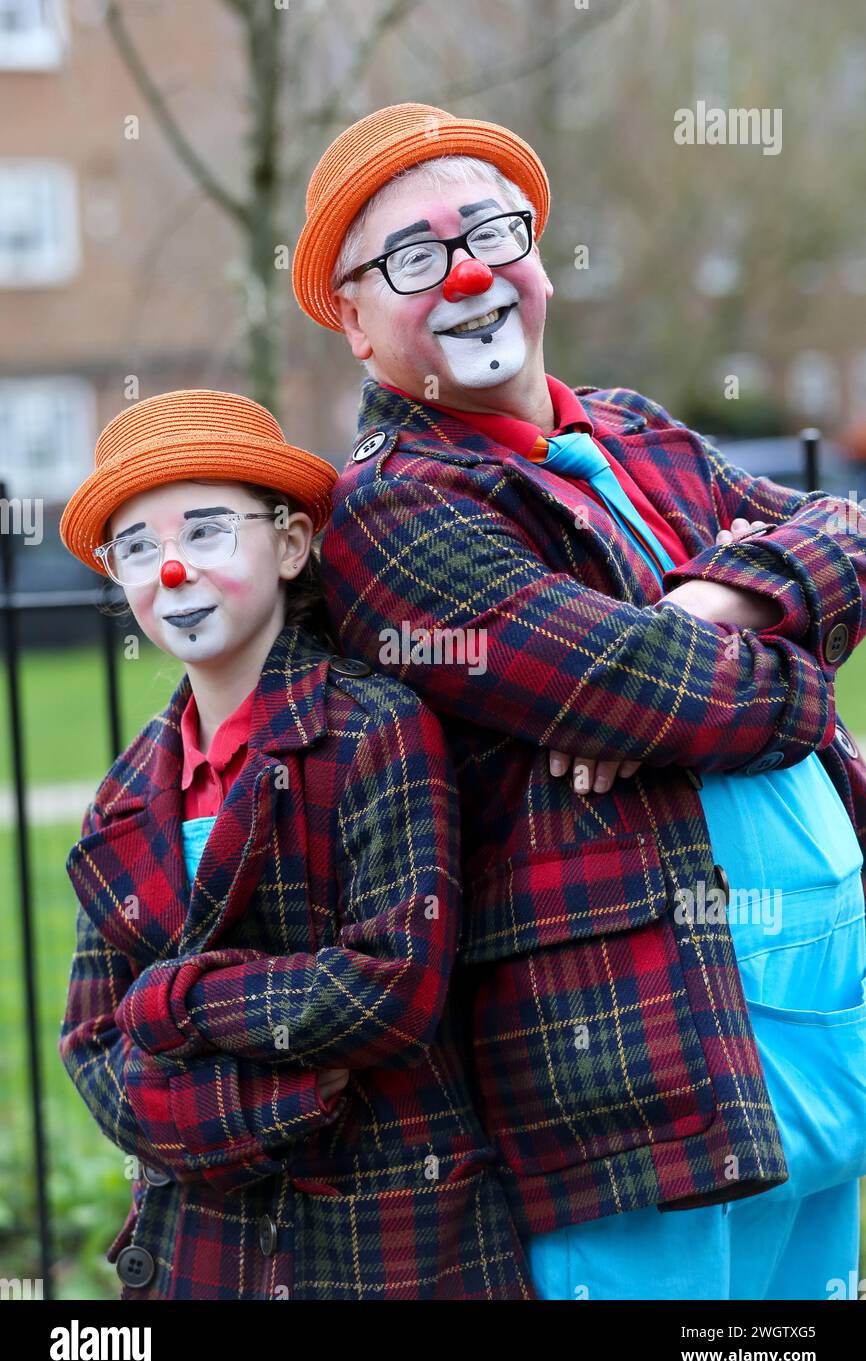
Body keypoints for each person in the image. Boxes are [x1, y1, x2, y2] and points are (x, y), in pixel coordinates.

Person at [292, 102, 866, 1300]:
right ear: (350, 318)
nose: (466, 273)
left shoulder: (637, 428)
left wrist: (712, 607)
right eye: (411, 255)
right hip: (643, 1052)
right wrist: (770, 643)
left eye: (492, 231)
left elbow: (846, 533)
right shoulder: (391, 509)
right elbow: (630, 689)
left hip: (824, 1008)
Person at [57, 388, 533, 1300]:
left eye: (204, 532)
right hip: (203, 1246)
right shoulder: (124, 795)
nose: (171, 571)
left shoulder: (373, 730)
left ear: (287, 544)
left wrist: (181, 1003)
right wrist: (283, 1100)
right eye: (138, 547)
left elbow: (392, 987)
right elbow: (92, 1043)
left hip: (391, 1237)